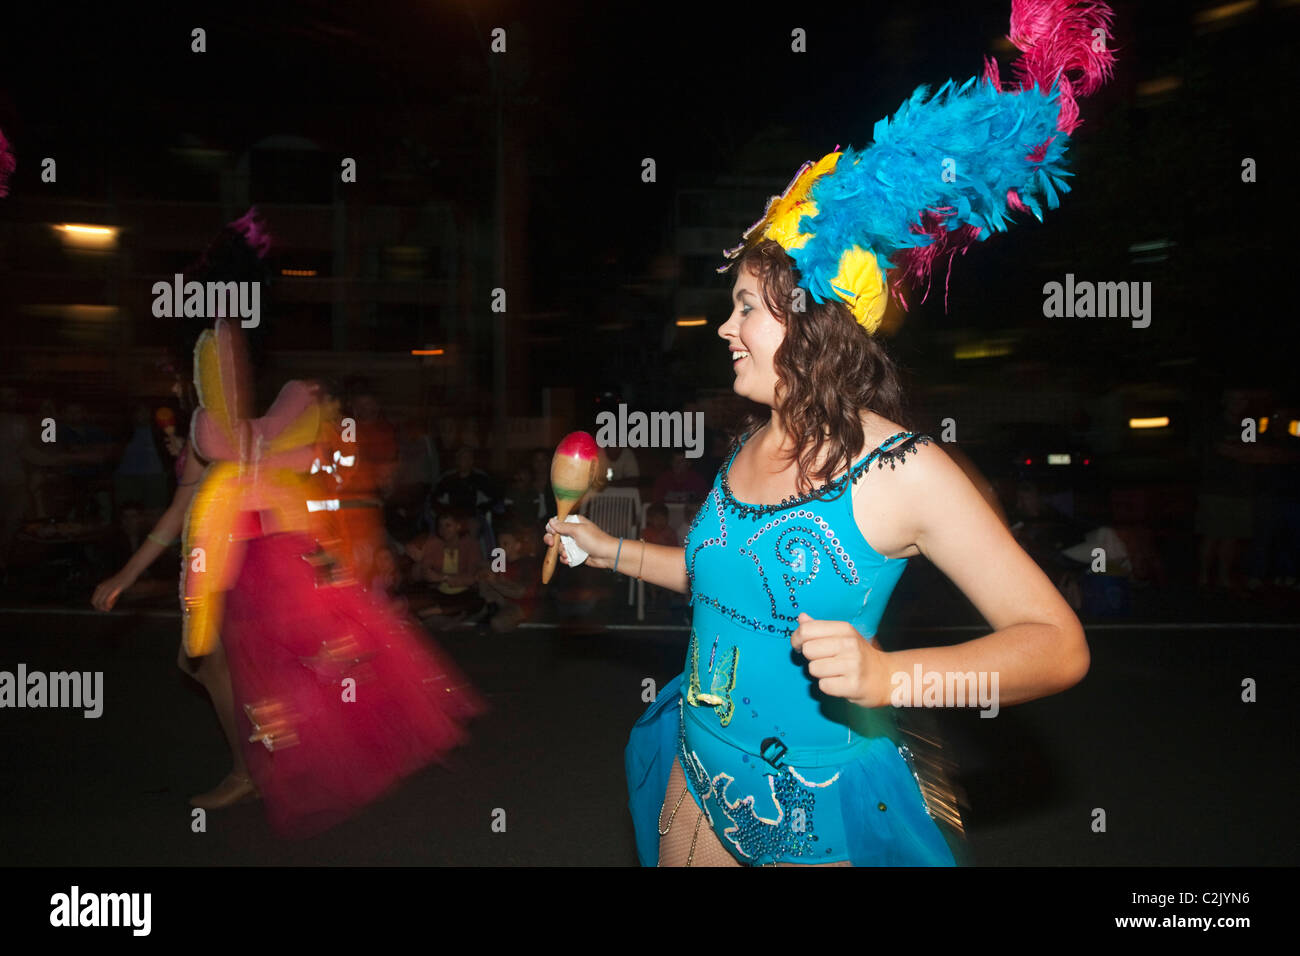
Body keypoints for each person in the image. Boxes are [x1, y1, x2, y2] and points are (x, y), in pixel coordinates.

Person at [547, 0, 1109, 866]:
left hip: (818, 808)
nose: (724, 328)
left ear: (811, 322)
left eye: (743, 306)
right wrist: (606, 548)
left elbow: (1055, 645)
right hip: (694, 767)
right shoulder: (752, 440)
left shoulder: (904, 470)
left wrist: (891, 677)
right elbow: (722, 588)